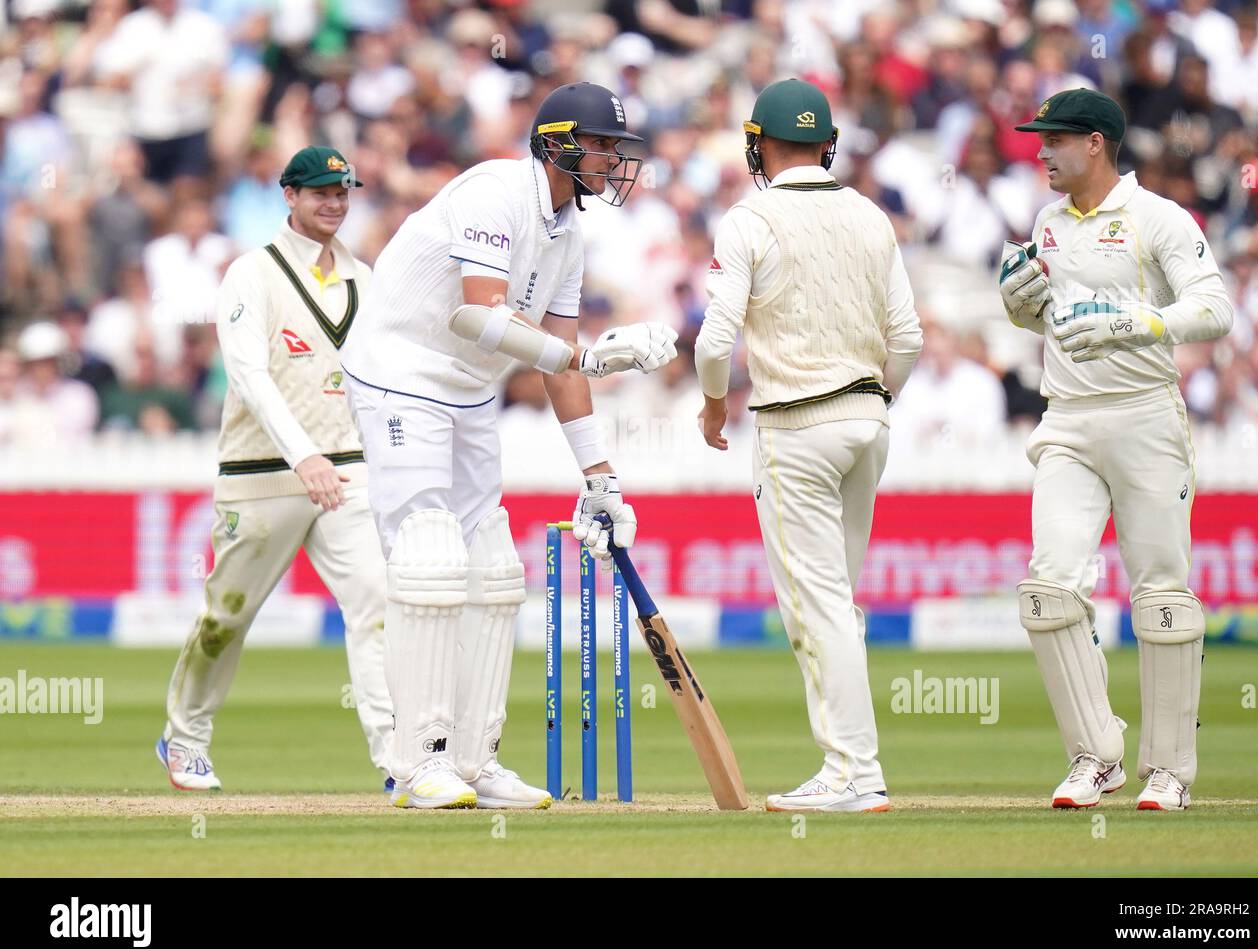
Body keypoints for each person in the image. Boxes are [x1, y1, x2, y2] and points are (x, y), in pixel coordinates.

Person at [341, 82, 676, 810]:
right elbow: (476, 313)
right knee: (430, 556)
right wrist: (583, 359)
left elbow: (558, 356)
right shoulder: (495, 191)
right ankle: (416, 760)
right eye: (602, 145)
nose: (614, 160)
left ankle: (472, 759)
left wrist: (600, 477)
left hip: (467, 391)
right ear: (557, 142)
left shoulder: (568, 234)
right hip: (400, 373)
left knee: (492, 568)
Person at [998, 89, 1233, 811]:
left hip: (1144, 420)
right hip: (1067, 418)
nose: (1041, 151)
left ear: (1095, 142)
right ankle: (1096, 756)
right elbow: (1041, 312)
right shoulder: (1045, 221)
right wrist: (1018, 304)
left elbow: (1216, 308)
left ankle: (1170, 770)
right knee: (1047, 590)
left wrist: (1141, 324)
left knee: (1161, 594)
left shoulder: (1157, 217)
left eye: (1055, 140)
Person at [695, 79, 924, 813]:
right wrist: (878, 401)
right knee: (838, 604)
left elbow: (713, 341)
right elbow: (909, 340)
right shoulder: (870, 215)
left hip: (796, 426)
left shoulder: (749, 217)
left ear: (760, 144)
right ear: (829, 144)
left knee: (815, 607)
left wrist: (709, 404)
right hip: (867, 420)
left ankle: (853, 773)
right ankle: (855, 767)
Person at [158, 147, 392, 792]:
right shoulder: (250, 274)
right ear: (288, 195)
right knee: (226, 616)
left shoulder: (364, 278)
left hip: (348, 470)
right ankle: (185, 738)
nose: (334, 204)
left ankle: (398, 759)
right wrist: (303, 455)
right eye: (320, 193)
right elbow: (249, 375)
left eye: (343, 193)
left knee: (377, 602)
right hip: (261, 471)